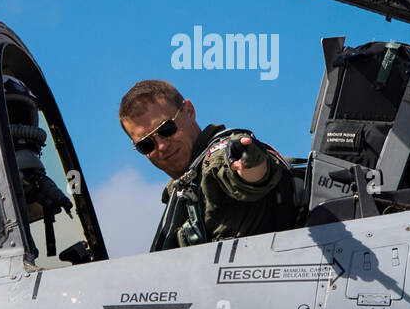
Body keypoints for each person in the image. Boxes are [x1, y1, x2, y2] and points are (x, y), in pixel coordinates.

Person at [118, 79, 298, 251]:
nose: (162, 146)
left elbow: (248, 175)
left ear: (189, 111)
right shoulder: (180, 194)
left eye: (166, 129)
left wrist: (249, 163)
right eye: (146, 144)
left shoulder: (218, 157)